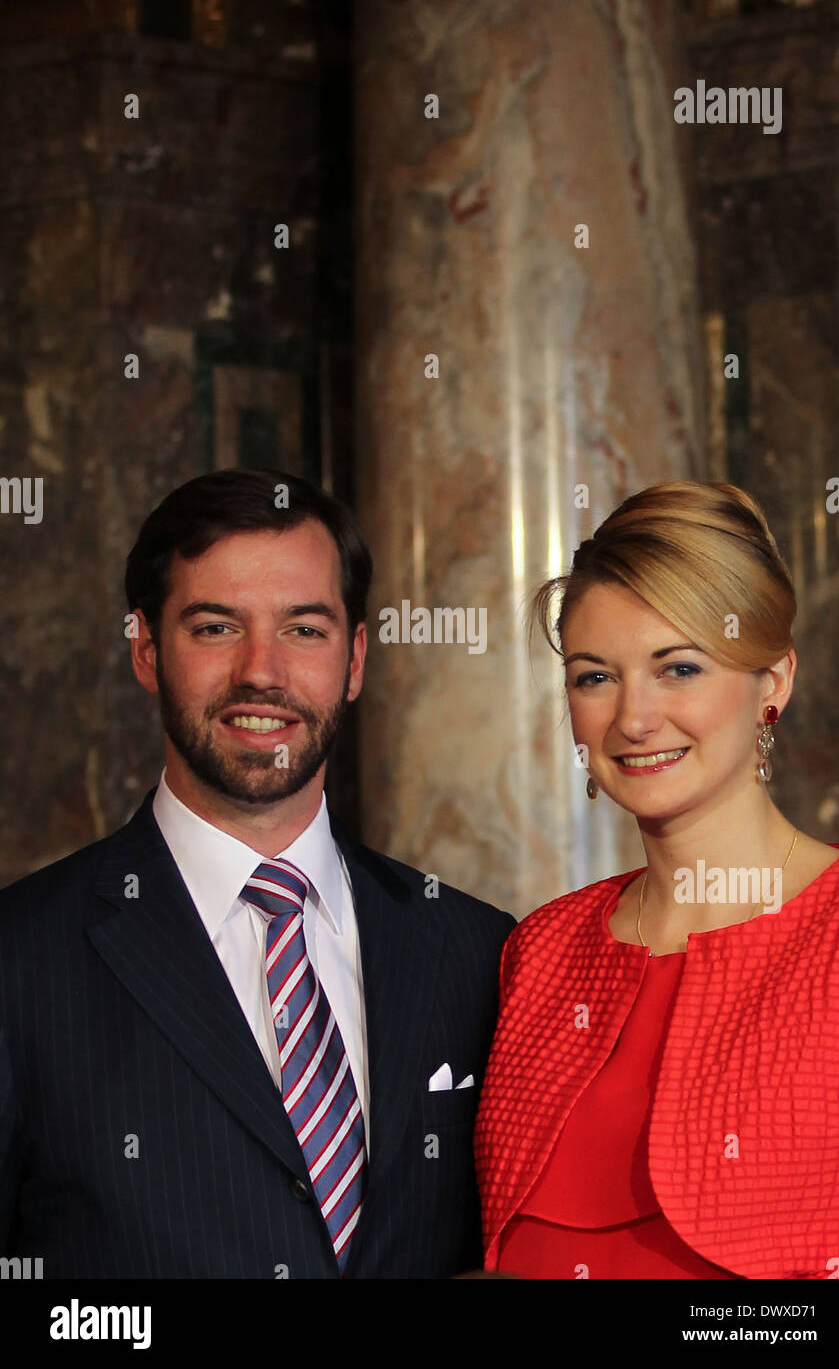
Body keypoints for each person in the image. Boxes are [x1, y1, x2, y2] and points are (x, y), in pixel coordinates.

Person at [0, 468, 513, 1279]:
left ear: (353, 660)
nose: (260, 672)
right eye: (213, 627)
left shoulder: (478, 950)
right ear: (145, 651)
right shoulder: (20, 959)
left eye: (304, 630)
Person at [475, 480, 839, 1280]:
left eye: (677, 668)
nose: (634, 717)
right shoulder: (539, 951)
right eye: (594, 677)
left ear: (774, 682)